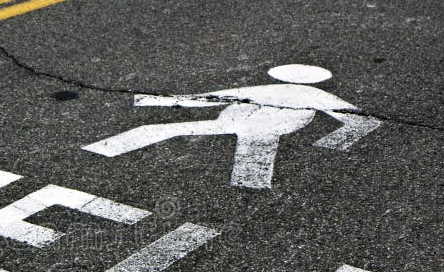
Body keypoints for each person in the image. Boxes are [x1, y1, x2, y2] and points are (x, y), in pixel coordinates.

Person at [82, 64, 380, 189]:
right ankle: (249, 188)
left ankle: (248, 193)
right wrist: (334, 141)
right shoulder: (316, 94)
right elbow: (356, 121)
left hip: (257, 124)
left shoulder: (309, 94)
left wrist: (152, 101)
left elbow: (210, 99)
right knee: (171, 129)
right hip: (252, 123)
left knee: (170, 128)